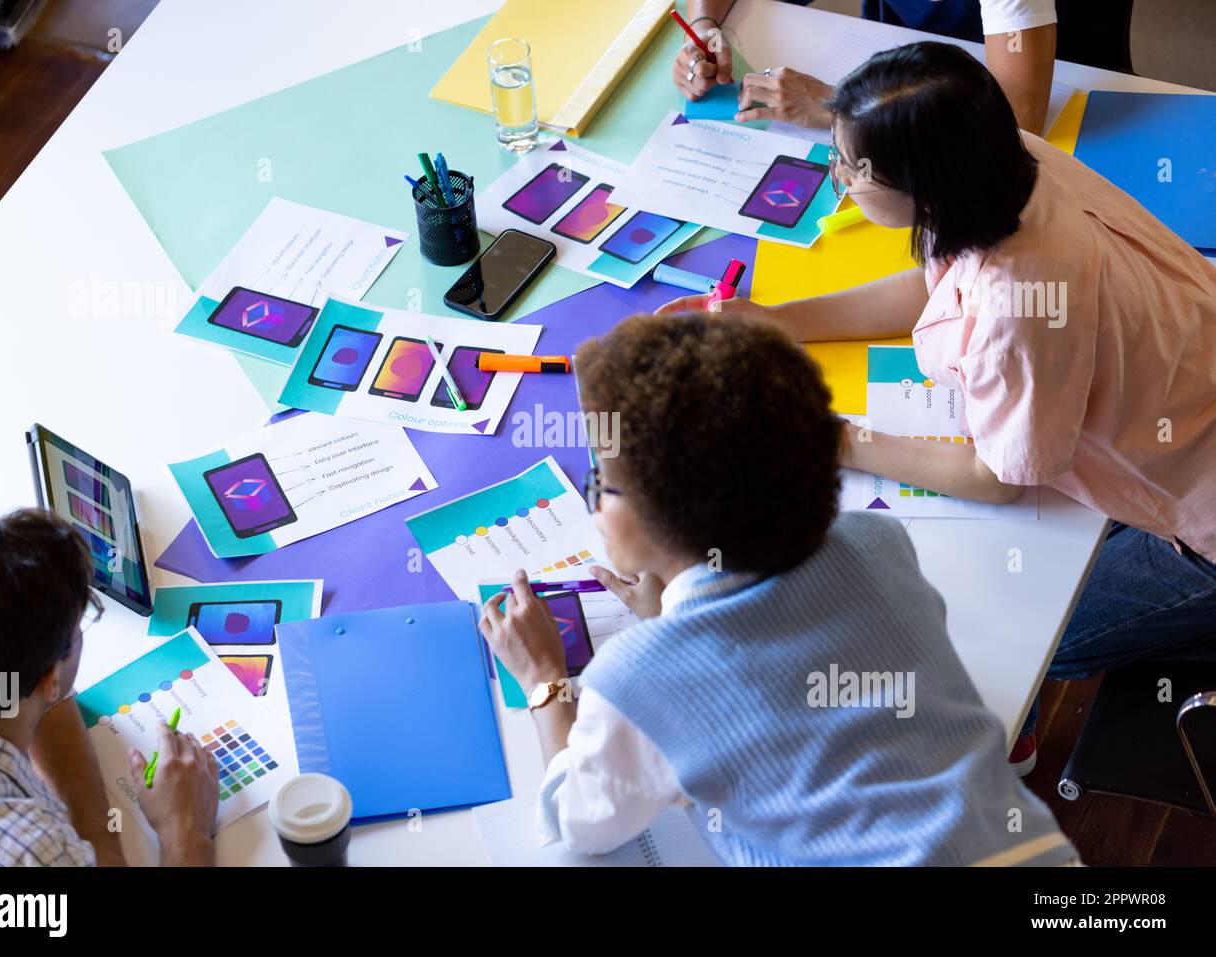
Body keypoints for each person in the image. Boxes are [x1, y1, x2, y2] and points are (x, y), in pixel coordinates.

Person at [660, 41, 1216, 776]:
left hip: (1201, 516)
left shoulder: (1022, 305)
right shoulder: (1005, 158)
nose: (839, 179)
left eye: (855, 170)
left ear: (925, 190)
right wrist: (779, 318)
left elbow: (998, 476)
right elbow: (941, 285)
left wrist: (836, 438)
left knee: (1032, 640)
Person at [479, 311, 1076, 866]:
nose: (593, 499)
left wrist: (544, 681)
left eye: (599, 483)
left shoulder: (634, 680)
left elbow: (578, 823)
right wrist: (673, 609)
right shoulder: (876, 542)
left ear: (650, 514)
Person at [0, 509, 218, 866]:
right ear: (48, 679)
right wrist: (183, 828)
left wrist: (104, 852)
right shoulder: (32, 851)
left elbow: (43, 698)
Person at [675, 0, 1131, 134]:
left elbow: (1014, 125)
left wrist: (845, 110)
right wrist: (703, 26)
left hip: (1073, 95)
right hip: (910, 53)